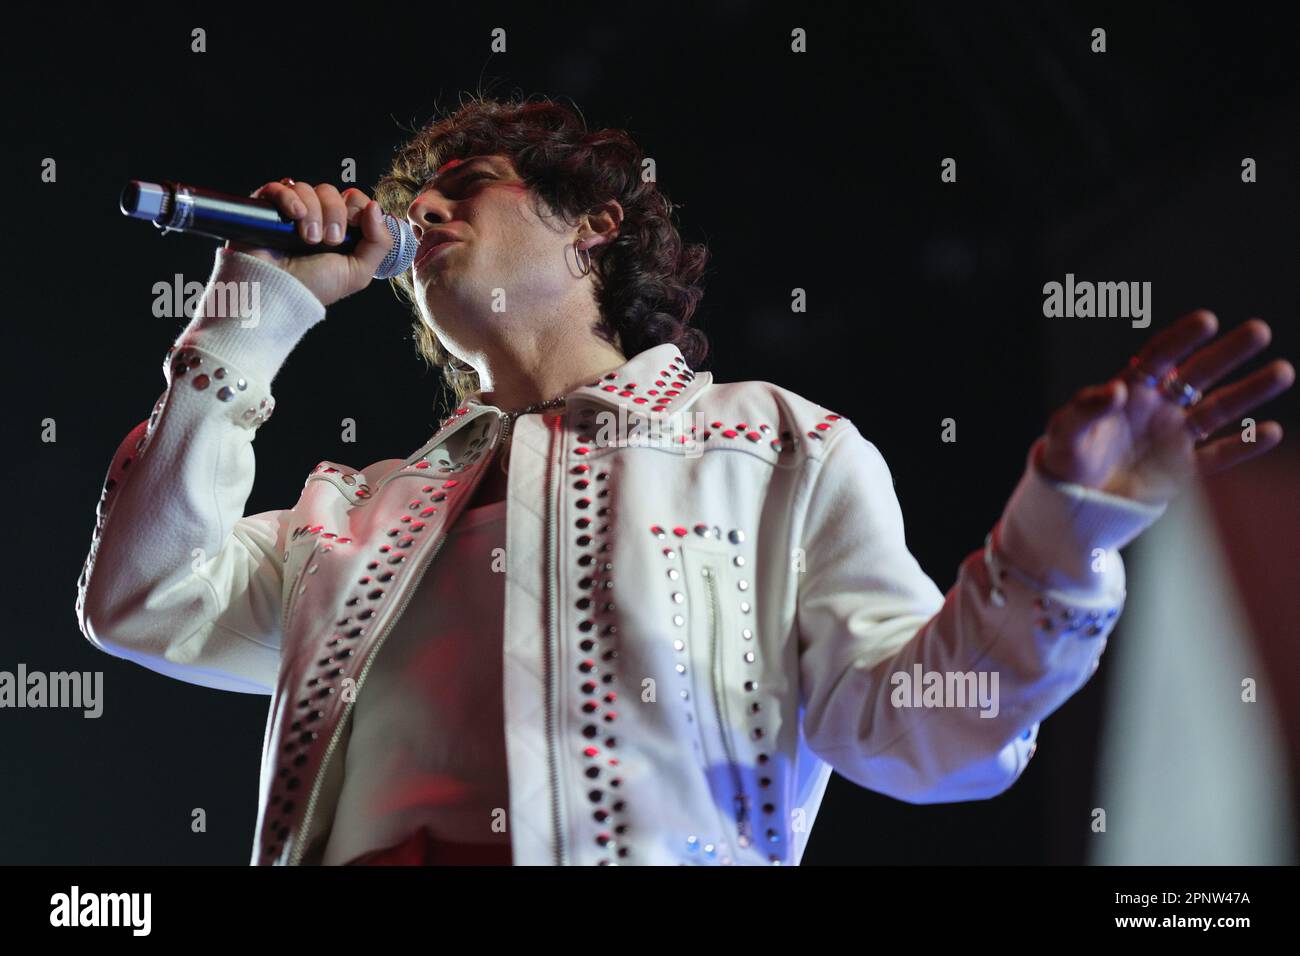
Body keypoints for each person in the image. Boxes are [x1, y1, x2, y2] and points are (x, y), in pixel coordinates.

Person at [75, 95, 1294, 866]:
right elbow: (140, 597)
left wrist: (1065, 529)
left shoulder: (774, 450)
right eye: (410, 201)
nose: (422, 205)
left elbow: (930, 730)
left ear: (593, 222)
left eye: (468, 177)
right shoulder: (353, 507)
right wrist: (253, 311)